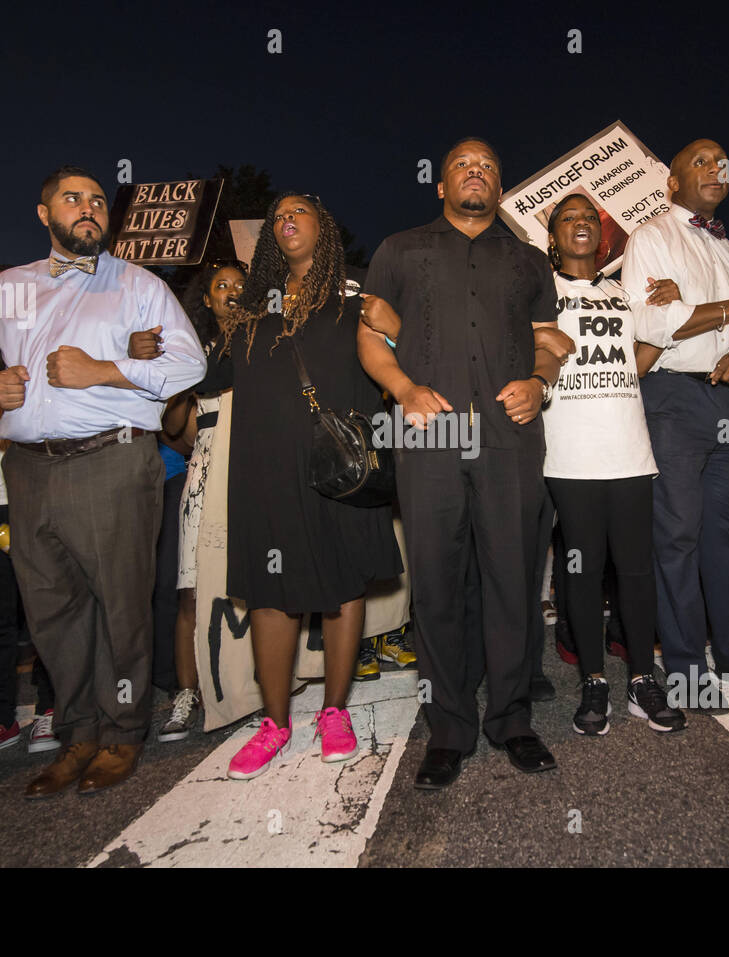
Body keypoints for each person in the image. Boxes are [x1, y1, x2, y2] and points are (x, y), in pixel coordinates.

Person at [0, 164, 206, 797]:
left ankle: (122, 732)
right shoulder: (5, 287)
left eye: (95, 200)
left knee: (120, 605)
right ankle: (77, 733)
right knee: (54, 610)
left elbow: (188, 364)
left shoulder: (137, 285)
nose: (87, 207)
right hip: (26, 468)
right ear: (44, 215)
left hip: (112, 460)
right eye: (71, 199)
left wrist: (103, 370)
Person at [359, 137, 562, 789]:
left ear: (499, 189)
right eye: (462, 166)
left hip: (510, 438)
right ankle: (448, 726)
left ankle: (510, 718)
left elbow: (550, 343)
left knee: (512, 578)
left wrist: (539, 382)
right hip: (427, 437)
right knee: (438, 584)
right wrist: (403, 388)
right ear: (441, 186)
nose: (476, 172)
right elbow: (371, 335)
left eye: (489, 168)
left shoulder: (531, 262)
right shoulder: (399, 250)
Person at [219, 193, 401, 779]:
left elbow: (403, 359)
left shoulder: (355, 297)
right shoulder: (251, 309)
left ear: (325, 228)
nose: (287, 220)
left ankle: (333, 711)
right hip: (264, 469)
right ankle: (274, 722)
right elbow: (202, 375)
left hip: (336, 471)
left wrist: (393, 331)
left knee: (342, 583)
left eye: (301, 212)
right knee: (272, 592)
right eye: (277, 216)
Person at [619, 138, 729, 711]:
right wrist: (728, 311)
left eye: (722, 161)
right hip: (669, 395)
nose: (715, 168)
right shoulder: (651, 238)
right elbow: (648, 322)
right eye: (700, 161)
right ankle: (687, 668)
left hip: (724, 398)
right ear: (672, 183)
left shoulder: (726, 249)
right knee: (678, 535)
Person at [541, 193, 684, 732]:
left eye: (588, 219)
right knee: (581, 569)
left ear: (603, 240)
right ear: (552, 238)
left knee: (635, 569)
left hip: (629, 450)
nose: (579, 224)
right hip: (570, 454)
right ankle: (594, 681)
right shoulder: (543, 293)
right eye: (567, 219)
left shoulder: (624, 293)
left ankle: (643, 678)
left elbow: (646, 348)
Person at [139, 259, 243, 740]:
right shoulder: (193, 353)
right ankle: (186, 692)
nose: (231, 291)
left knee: (254, 584)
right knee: (190, 588)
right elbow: (175, 431)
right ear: (206, 299)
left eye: (241, 285)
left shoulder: (269, 345)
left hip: (253, 470)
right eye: (221, 285)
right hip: (204, 469)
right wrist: (180, 383)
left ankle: (252, 686)